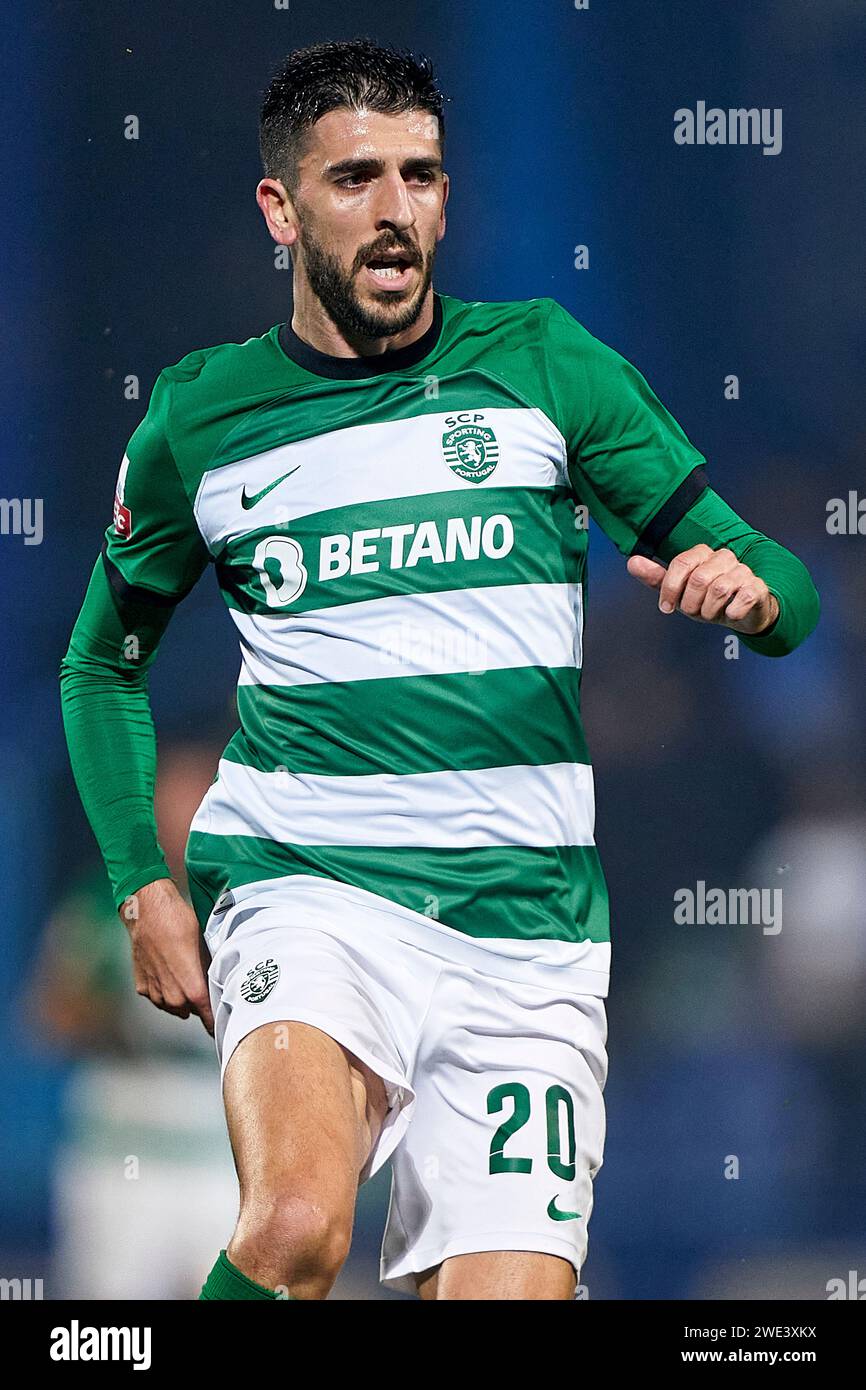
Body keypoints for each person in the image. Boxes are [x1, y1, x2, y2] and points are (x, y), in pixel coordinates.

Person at [59, 37, 819, 1301]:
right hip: (311, 889)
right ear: (280, 207)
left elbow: (781, 590)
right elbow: (99, 667)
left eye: (421, 175)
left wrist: (746, 596)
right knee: (297, 1226)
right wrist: (141, 882)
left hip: (526, 937)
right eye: (354, 178)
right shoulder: (201, 417)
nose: (397, 209)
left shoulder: (543, 363)